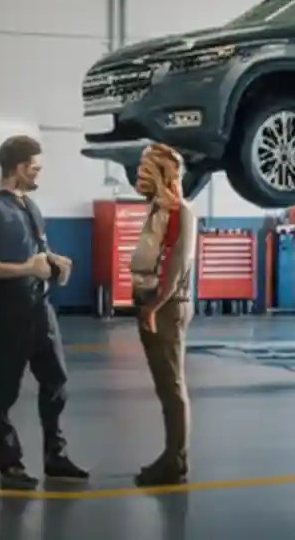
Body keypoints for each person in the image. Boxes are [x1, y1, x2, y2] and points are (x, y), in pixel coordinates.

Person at [0, 135, 88, 489]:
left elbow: (38, 251)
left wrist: (54, 261)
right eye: (34, 168)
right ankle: (10, 462)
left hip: (40, 306)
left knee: (56, 380)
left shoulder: (30, 207)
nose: (38, 174)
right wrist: (27, 268)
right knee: (7, 386)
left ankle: (55, 455)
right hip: (10, 308)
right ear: (19, 168)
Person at [129, 142, 198, 486]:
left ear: (163, 174)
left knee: (172, 384)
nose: (139, 176)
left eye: (146, 170)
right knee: (164, 385)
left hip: (166, 306)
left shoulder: (181, 212)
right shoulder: (157, 209)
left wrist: (154, 307)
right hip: (151, 302)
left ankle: (176, 460)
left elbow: (176, 265)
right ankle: (172, 455)